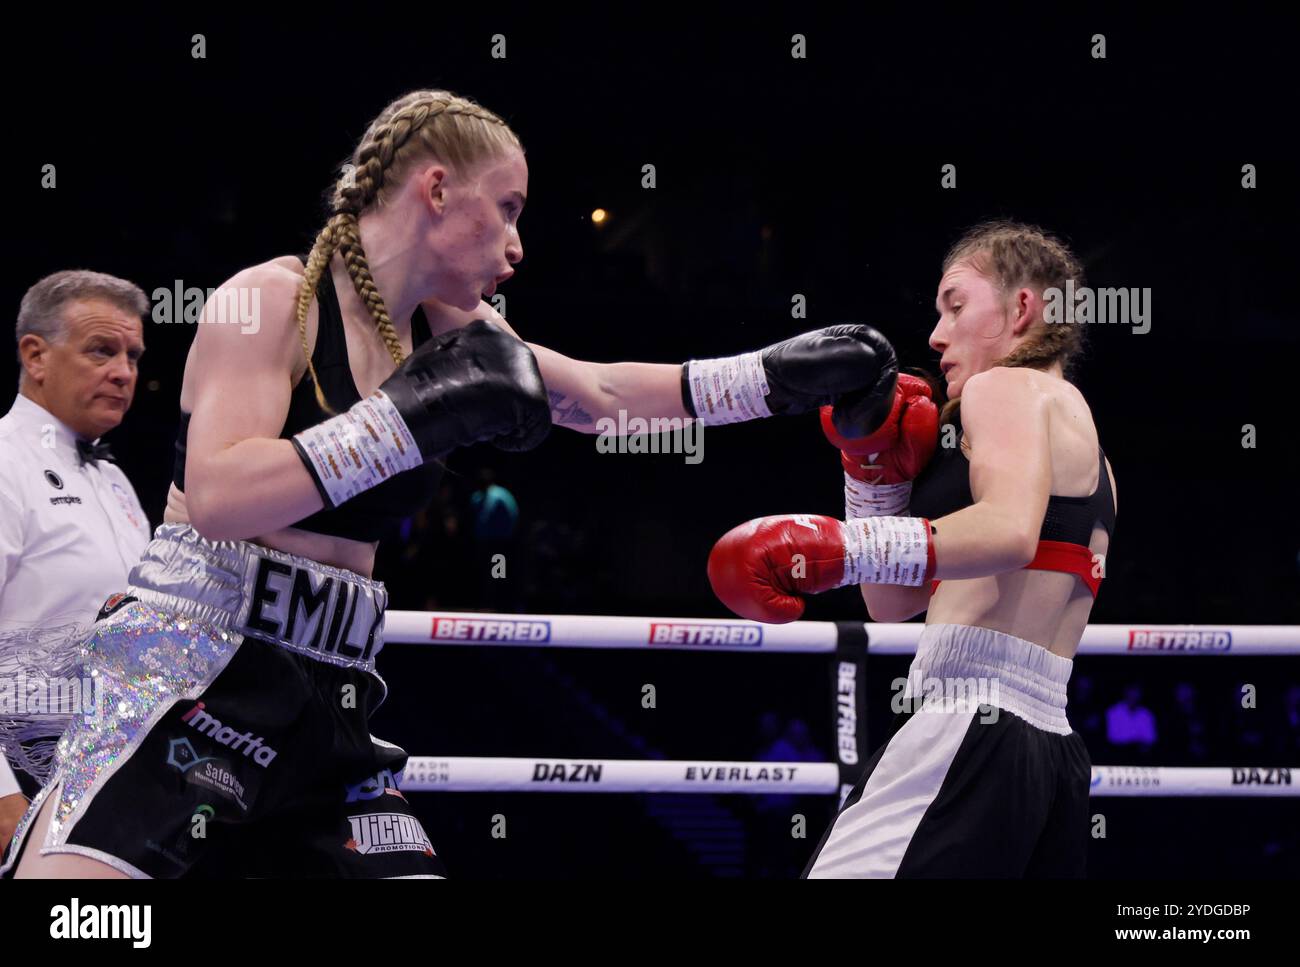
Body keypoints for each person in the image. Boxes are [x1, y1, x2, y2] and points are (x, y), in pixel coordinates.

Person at [3, 88, 898, 878]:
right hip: (198, 665)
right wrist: (403, 421)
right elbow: (225, 494)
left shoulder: (447, 333)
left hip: (335, 689)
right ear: (435, 190)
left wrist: (773, 379)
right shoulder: (273, 300)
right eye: (506, 209)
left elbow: (603, 397)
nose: (517, 244)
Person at [709, 221, 1118, 877]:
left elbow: (1009, 533)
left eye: (955, 304)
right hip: (1050, 753)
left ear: (1023, 308)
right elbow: (891, 603)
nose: (935, 335)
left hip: (972, 728)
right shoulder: (1078, 430)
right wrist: (871, 479)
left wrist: (842, 545)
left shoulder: (1005, 390)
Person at [0, 271, 152, 848]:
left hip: (108, 776)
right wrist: (1, 800)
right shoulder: (4, 463)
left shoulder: (113, 480)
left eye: (132, 355)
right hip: (21, 771)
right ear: (36, 356)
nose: (123, 372)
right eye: (101, 350)